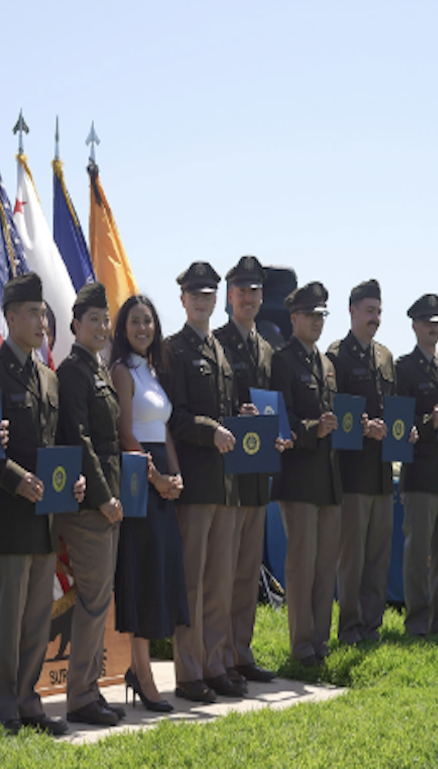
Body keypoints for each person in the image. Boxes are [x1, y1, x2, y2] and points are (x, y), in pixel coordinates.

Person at [0, 272, 84, 736]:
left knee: (38, 618)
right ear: (11, 317)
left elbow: (57, 445)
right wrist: (17, 481)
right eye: (34, 313)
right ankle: (7, 712)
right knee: (9, 620)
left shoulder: (49, 379)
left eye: (44, 314)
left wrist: (73, 481)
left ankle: (29, 702)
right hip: (8, 518)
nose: (42, 322)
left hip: (44, 520)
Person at [164, 261, 241, 703]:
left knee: (220, 584)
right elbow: (173, 417)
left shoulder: (221, 351)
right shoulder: (173, 351)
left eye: (208, 295)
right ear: (183, 300)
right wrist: (211, 430)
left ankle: (214, 665)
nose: (201, 301)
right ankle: (189, 672)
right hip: (193, 484)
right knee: (192, 584)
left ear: (216, 300)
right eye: (195, 295)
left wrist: (240, 420)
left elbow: (225, 410)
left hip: (224, 485)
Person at [55, 281, 128, 727]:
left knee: (99, 599)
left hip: (108, 500)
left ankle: (88, 689)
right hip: (88, 507)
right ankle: (80, 697)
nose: (102, 327)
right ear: (75, 324)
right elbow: (79, 439)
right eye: (93, 320)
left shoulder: (97, 369)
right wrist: (103, 498)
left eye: (105, 320)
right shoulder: (73, 372)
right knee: (94, 600)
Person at [111, 293, 187, 713]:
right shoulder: (122, 371)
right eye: (135, 321)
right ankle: (141, 672)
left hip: (161, 480)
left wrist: (176, 475)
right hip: (138, 479)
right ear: (123, 329)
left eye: (148, 321)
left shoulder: (154, 371)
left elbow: (166, 430)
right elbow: (125, 432)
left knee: (161, 572)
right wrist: (155, 477)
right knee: (141, 574)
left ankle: (141, 669)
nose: (143, 328)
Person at [213, 255, 280, 686]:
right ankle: (219, 656)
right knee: (224, 572)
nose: (249, 298)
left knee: (247, 570)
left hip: (257, 473)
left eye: (255, 291)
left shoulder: (267, 348)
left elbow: (274, 407)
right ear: (229, 296)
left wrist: (280, 433)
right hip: (227, 473)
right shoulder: (217, 343)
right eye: (241, 291)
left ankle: (242, 652)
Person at [270, 281, 341, 666]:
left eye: (321, 315)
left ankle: (320, 642)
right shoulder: (282, 361)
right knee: (301, 566)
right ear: (294, 317)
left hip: (328, 479)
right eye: (310, 315)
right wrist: (315, 429)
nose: (317, 322)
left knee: (326, 565)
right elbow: (281, 419)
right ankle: (301, 646)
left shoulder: (327, 364)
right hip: (298, 478)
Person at [327, 279, 395, 645]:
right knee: (351, 559)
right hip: (352, 475)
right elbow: (333, 414)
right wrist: (363, 428)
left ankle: (372, 627)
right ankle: (350, 628)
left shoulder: (385, 357)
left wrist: (404, 431)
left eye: (379, 312)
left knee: (378, 557)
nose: (375, 318)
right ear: (352, 311)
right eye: (369, 311)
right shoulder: (337, 356)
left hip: (382, 474)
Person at [395, 294, 438, 638]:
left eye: (436, 323)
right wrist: (428, 422)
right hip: (419, 474)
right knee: (417, 555)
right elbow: (400, 426)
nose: (432, 329)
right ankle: (417, 623)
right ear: (414, 326)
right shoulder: (404, 368)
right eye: (426, 323)